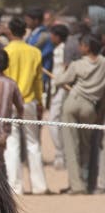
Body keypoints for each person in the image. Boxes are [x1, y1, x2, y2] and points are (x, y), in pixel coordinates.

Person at [3, 16, 49, 195]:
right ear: (25, 31)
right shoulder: (34, 52)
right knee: (34, 143)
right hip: (30, 101)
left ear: (10, 31)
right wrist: (40, 102)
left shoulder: (6, 51)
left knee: (12, 143)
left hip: (10, 102)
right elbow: (39, 81)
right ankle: (39, 186)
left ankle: (15, 186)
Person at [55, 34, 105, 194]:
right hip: (90, 107)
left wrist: (61, 74)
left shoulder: (77, 64)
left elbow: (60, 80)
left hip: (73, 103)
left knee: (71, 146)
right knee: (86, 147)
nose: (79, 48)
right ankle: (85, 182)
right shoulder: (104, 63)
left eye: (81, 45)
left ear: (87, 47)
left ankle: (77, 186)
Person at [48, 24, 70, 169]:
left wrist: (59, 82)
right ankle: (60, 155)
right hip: (55, 89)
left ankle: (61, 154)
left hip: (61, 89)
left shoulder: (63, 50)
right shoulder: (56, 49)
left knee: (53, 122)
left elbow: (65, 68)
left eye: (53, 35)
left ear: (58, 36)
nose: (51, 37)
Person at [25, 6, 53, 91]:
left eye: (28, 20)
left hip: (40, 76)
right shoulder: (32, 35)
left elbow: (40, 55)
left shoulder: (45, 36)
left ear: (36, 21)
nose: (26, 22)